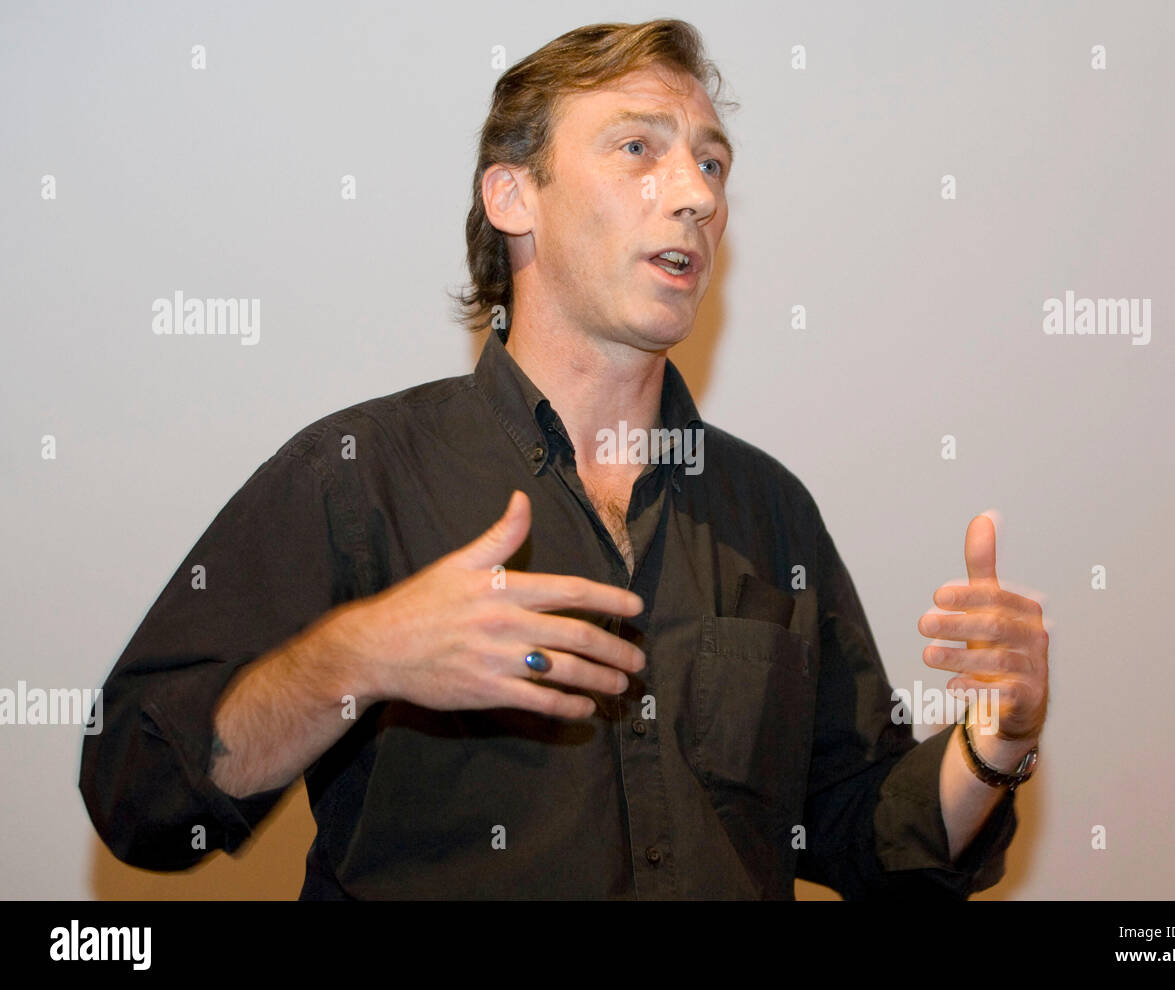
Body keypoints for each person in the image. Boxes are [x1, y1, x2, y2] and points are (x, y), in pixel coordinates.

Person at [80, 18, 1048, 899]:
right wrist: (361, 655)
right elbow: (141, 792)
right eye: (639, 150)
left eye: (712, 164)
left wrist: (994, 745)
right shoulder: (357, 475)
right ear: (513, 195)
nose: (697, 196)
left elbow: (863, 835)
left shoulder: (769, 510)